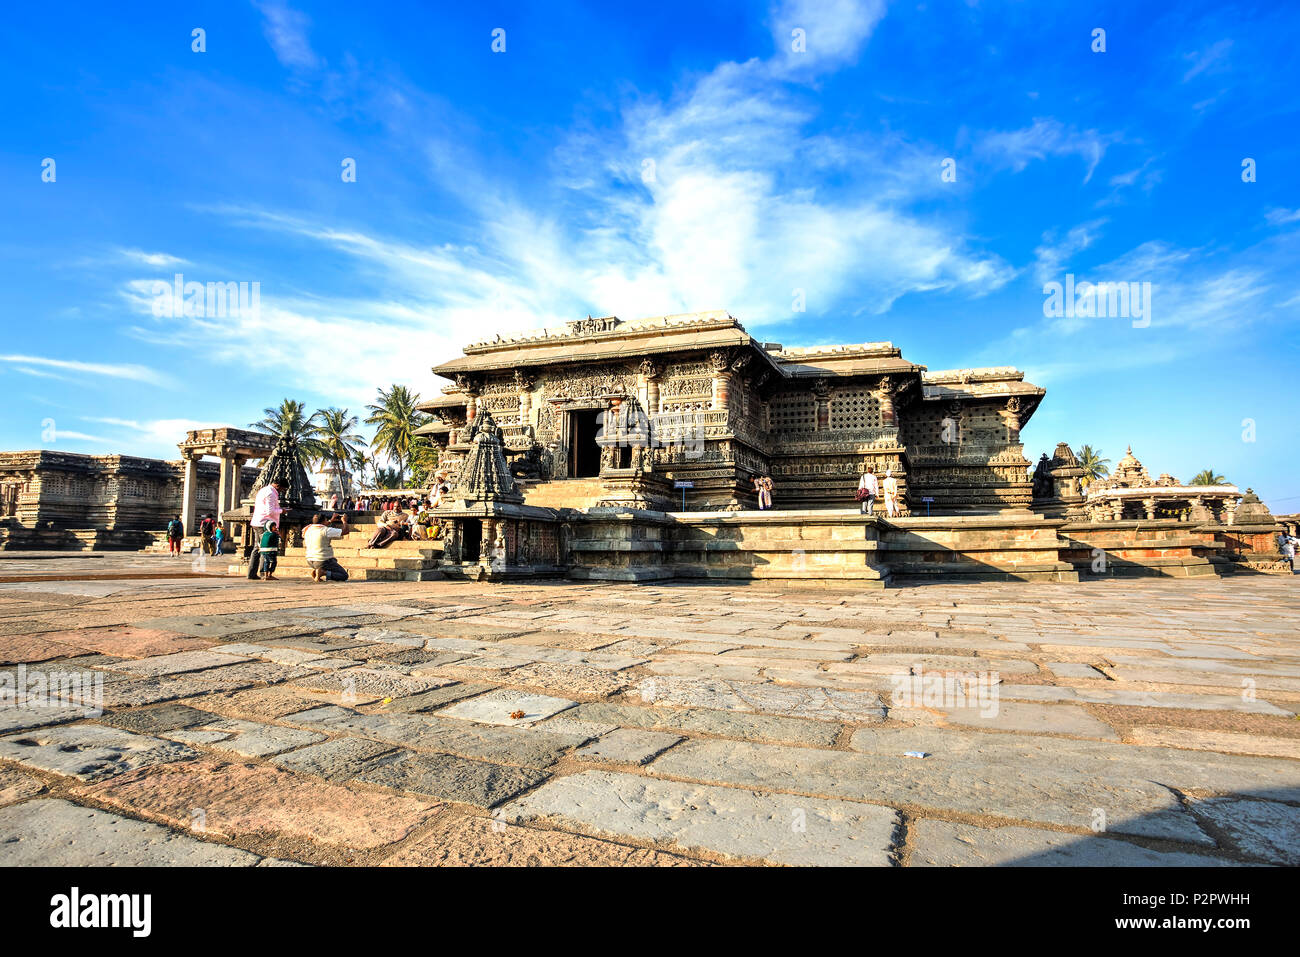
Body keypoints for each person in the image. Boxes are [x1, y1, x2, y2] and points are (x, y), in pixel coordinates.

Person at [247, 480, 285, 580]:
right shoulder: (271, 493)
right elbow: (270, 511)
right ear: (278, 485)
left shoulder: (263, 490)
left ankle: (251, 573)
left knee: (257, 548)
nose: (282, 491)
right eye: (282, 489)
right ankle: (264, 573)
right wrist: (282, 510)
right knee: (266, 549)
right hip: (265, 524)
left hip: (257, 522)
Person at [304, 512, 350, 582]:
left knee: (334, 560)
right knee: (344, 575)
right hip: (322, 561)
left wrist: (331, 520)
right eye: (326, 520)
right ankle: (323, 572)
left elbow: (320, 525)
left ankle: (317, 570)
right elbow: (345, 531)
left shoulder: (308, 529)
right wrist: (344, 521)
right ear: (323, 521)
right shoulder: (326, 530)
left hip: (310, 560)